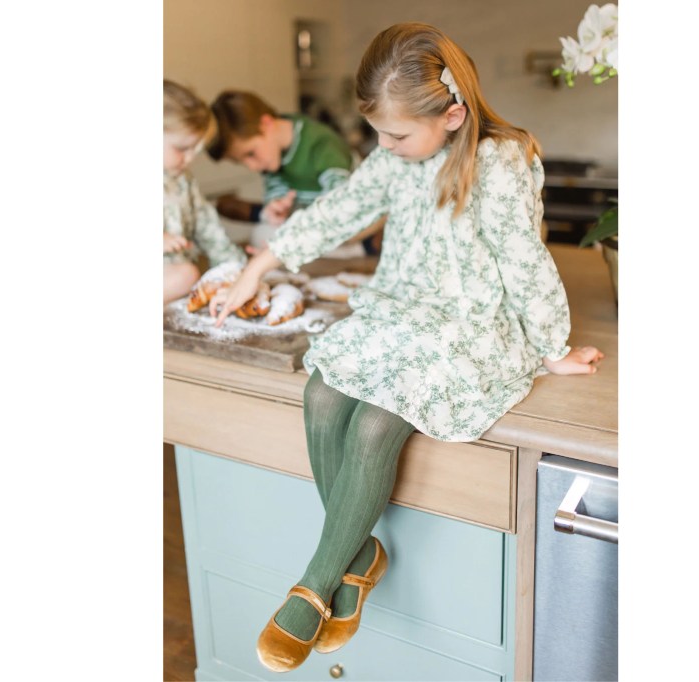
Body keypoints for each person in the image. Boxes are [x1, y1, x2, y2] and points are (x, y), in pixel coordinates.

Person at [209, 23, 604, 673]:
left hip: (471, 321)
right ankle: (358, 554)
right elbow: (341, 208)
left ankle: (314, 581)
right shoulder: (394, 156)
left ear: (452, 116)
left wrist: (551, 345)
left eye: (395, 135)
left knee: (372, 427)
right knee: (322, 391)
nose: (384, 147)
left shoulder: (502, 160)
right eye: (379, 135)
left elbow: (524, 260)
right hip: (401, 307)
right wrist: (260, 267)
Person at [207, 90, 354, 228]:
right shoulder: (271, 156)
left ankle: (359, 247)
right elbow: (275, 190)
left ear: (266, 124)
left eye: (250, 154)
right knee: (262, 234)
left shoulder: (322, 144)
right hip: (303, 218)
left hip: (337, 220)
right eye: (239, 162)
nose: (252, 167)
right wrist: (275, 206)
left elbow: (340, 202)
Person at [163, 80, 246, 303]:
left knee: (190, 275)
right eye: (182, 149)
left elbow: (209, 231)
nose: (190, 159)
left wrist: (239, 270)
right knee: (187, 274)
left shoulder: (182, 180)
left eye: (195, 150)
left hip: (173, 286)